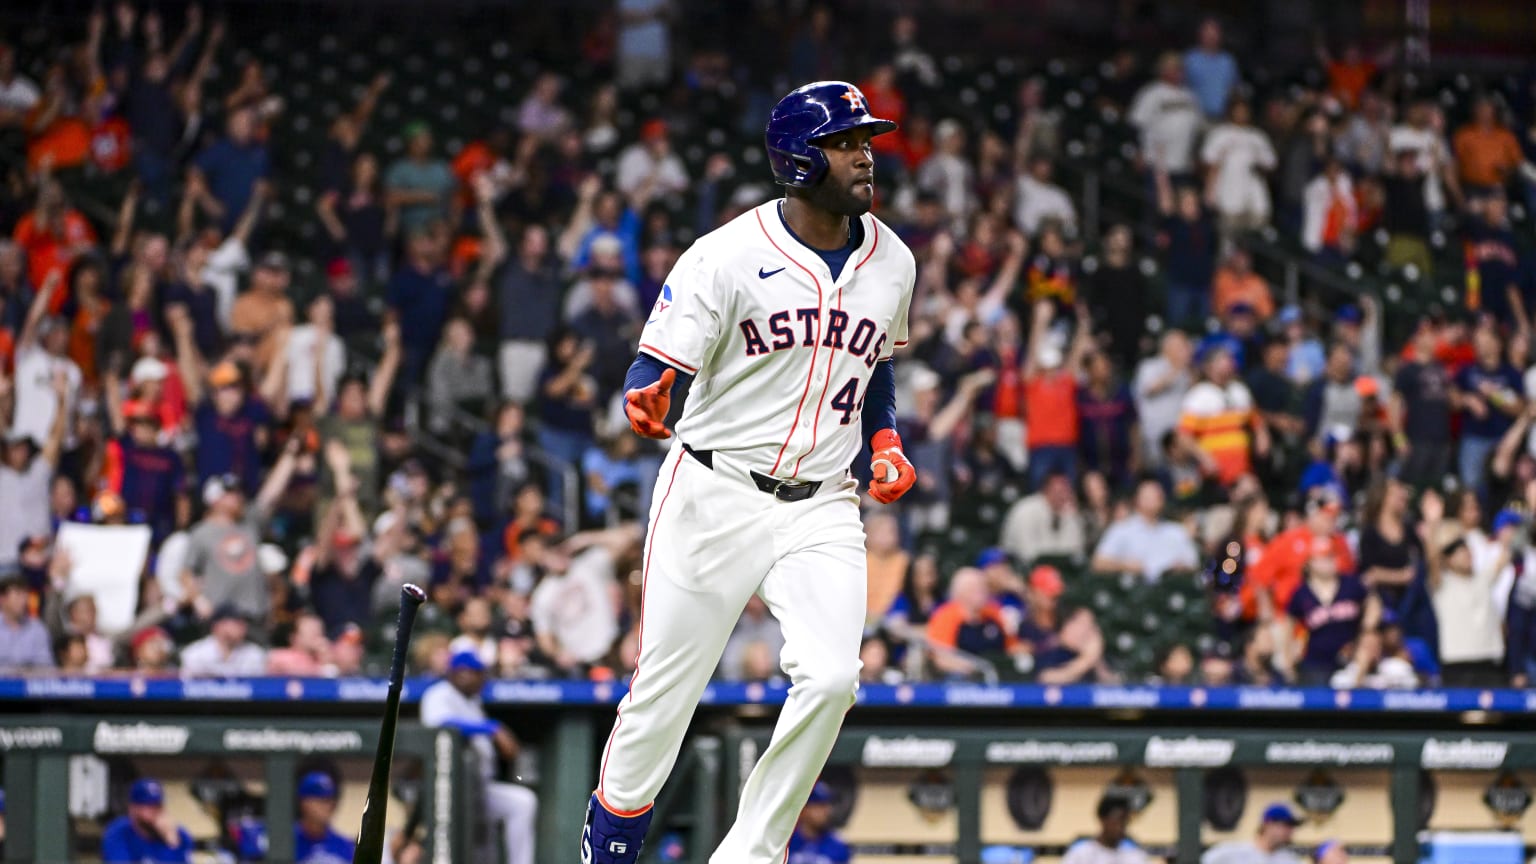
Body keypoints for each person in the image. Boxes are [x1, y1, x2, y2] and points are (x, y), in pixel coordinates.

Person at [586, 81, 916, 864]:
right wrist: (646, 391)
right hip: (715, 489)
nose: (866, 154)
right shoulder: (727, 254)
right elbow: (654, 363)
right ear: (800, 160)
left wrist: (887, 441)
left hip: (822, 503)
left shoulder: (893, 261)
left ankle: (749, 855)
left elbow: (873, 367)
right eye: (846, 142)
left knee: (834, 678)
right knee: (662, 700)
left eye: (867, 139)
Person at [419, 651, 538, 864]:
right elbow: (439, 724)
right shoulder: (439, 694)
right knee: (522, 803)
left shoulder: (473, 703)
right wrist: (491, 728)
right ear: (460, 674)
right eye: (476, 674)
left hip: (479, 788)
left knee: (489, 847)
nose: (481, 680)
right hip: (449, 790)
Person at [1091, 479, 1199, 581]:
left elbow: (1193, 564)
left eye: (1158, 496)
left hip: (1172, 587)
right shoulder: (1122, 529)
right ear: (1137, 500)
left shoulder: (1176, 531)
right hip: (1135, 591)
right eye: (1149, 496)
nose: (1155, 499)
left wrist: (1181, 568)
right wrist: (1124, 565)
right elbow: (1098, 563)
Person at [101, 778, 193, 863]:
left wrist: (172, 844)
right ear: (132, 809)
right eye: (148, 806)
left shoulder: (179, 836)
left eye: (157, 805)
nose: (155, 812)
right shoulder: (118, 833)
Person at [179, 605, 268, 677]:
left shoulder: (254, 654)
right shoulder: (195, 654)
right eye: (237, 622)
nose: (243, 626)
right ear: (217, 626)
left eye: (243, 622)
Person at [1202, 803, 1303, 864]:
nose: (1290, 831)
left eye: (1292, 826)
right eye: (1286, 825)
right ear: (1268, 824)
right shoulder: (1229, 853)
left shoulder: (1289, 860)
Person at [1062, 796, 1149, 864]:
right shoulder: (1081, 854)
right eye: (1118, 819)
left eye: (1125, 820)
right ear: (1103, 819)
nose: (1122, 825)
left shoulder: (1135, 856)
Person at [787, 782, 850, 864]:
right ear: (803, 808)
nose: (827, 811)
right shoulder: (786, 842)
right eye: (820, 805)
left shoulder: (837, 845)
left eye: (828, 805)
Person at [0, 574, 53, 672]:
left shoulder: (37, 628)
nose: (23, 602)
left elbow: (46, 667)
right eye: (18, 596)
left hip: (29, 684)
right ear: (2, 599)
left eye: (25, 596)